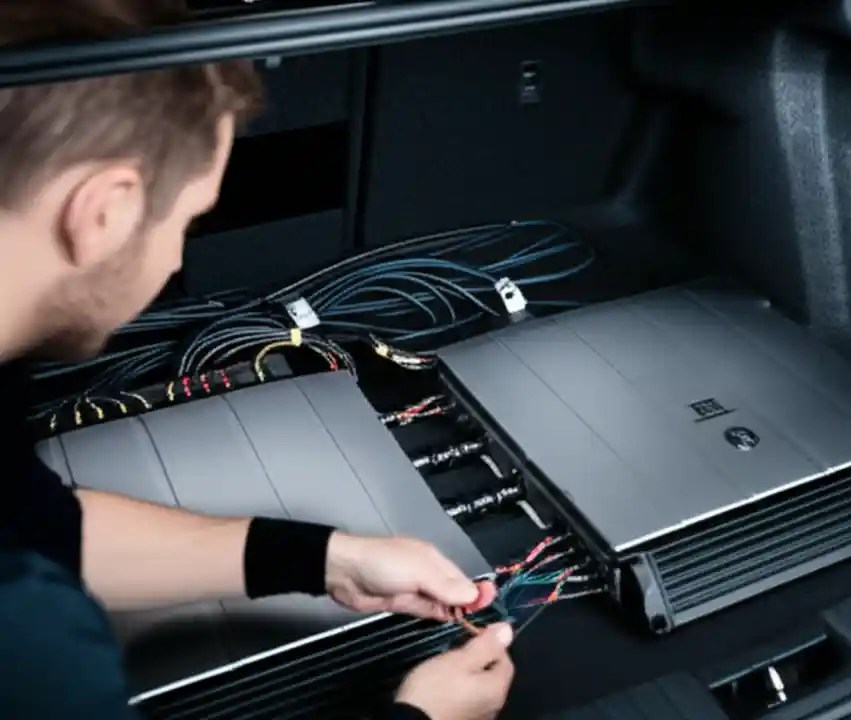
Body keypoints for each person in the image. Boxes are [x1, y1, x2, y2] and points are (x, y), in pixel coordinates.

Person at [0, 2, 515, 719]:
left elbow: (31, 522)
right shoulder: (27, 640)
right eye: (188, 218)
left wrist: (323, 559)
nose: (179, 256)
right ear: (104, 212)